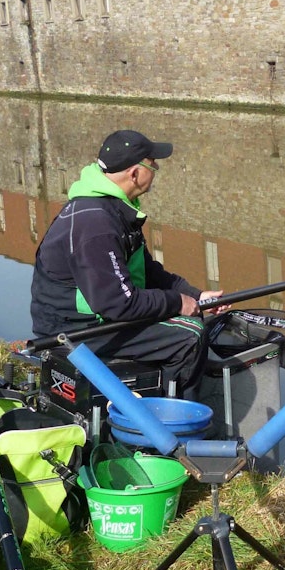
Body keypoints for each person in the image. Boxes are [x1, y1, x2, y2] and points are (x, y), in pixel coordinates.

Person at [30, 129, 225, 398]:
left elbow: (147, 271)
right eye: (153, 165)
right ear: (134, 173)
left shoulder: (115, 208)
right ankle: (177, 426)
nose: (156, 170)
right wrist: (177, 303)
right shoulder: (96, 224)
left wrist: (196, 296)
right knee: (189, 336)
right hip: (73, 329)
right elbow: (118, 304)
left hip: (97, 316)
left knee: (191, 319)